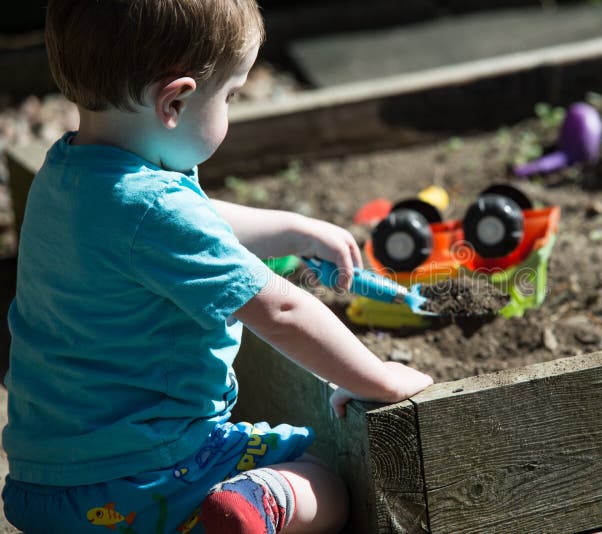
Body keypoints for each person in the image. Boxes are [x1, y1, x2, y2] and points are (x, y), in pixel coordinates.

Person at [1, 1, 434, 533]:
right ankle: (252, 505)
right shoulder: (155, 211)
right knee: (324, 482)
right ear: (175, 102)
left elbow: (184, 224)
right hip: (151, 477)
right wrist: (377, 379)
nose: (231, 107)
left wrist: (291, 228)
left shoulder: (64, 174)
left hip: (42, 489)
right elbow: (281, 308)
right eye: (230, 95)